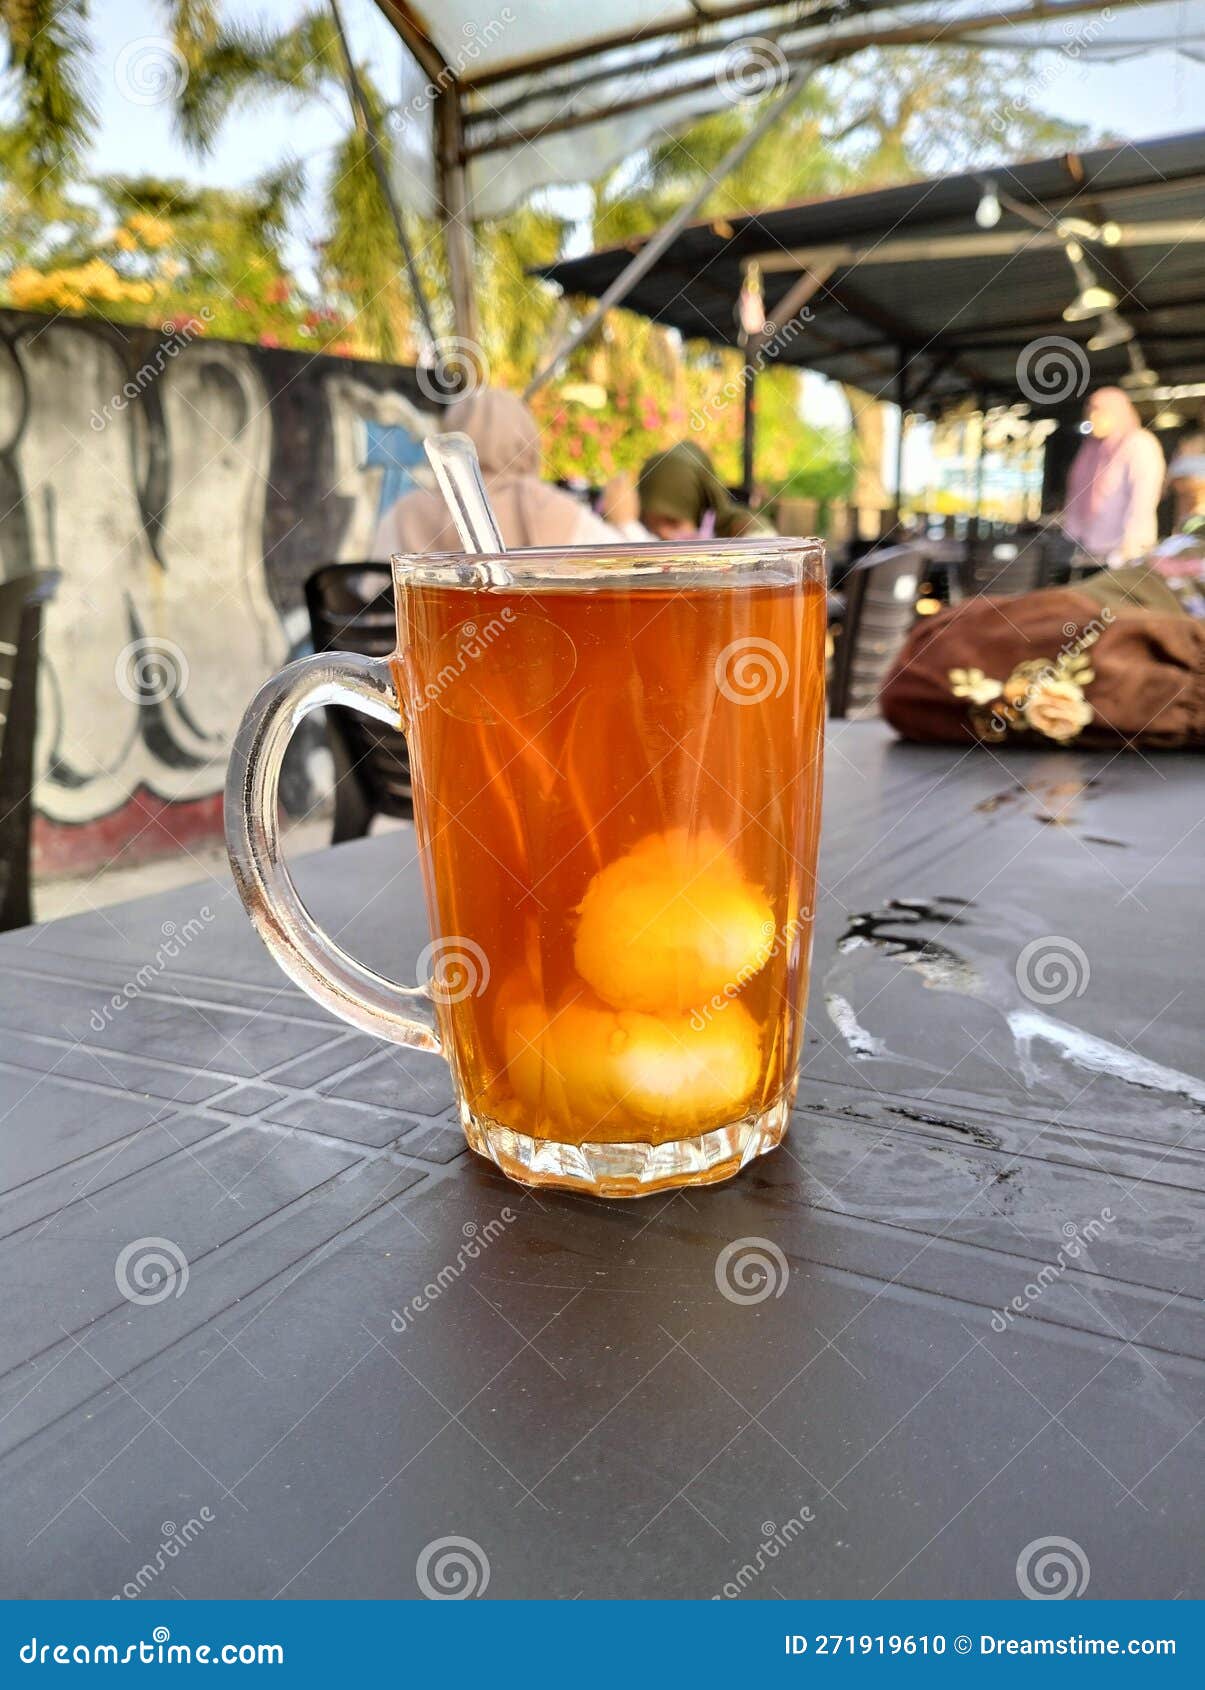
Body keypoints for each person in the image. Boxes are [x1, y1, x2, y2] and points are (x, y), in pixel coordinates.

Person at [373, 388, 646, 555]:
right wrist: (626, 522)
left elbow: (365, 594)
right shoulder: (554, 509)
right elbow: (645, 570)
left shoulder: (402, 512)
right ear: (526, 438)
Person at [1061, 386, 1165, 568]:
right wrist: (1072, 536)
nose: (1093, 419)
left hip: (1127, 552)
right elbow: (1075, 496)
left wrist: (1131, 545)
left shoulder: (1139, 443)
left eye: (1100, 413)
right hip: (1091, 550)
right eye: (1090, 412)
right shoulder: (1090, 450)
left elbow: (1143, 497)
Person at [634, 441, 771, 540]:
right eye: (649, 525)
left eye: (672, 522)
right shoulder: (634, 532)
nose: (662, 534)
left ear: (700, 510)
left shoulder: (745, 530)